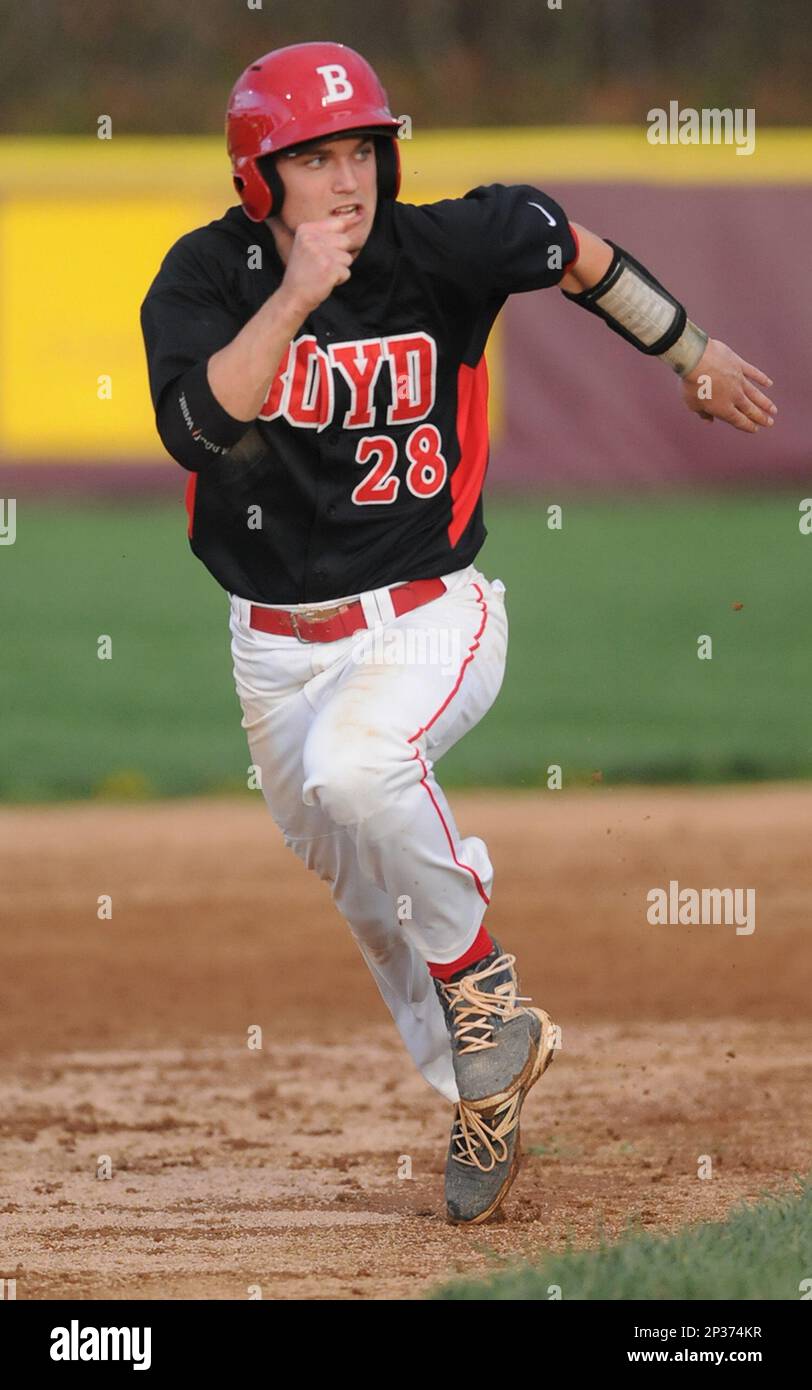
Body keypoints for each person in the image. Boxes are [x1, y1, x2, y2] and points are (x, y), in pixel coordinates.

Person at [140, 41, 777, 1226]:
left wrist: (687, 351)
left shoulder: (445, 246)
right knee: (360, 879)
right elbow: (191, 427)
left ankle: (481, 977)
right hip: (274, 650)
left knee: (360, 768)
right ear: (256, 179)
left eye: (361, 152)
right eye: (314, 158)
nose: (347, 180)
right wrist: (294, 296)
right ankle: (481, 1082)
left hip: (432, 614)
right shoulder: (206, 279)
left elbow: (573, 250)